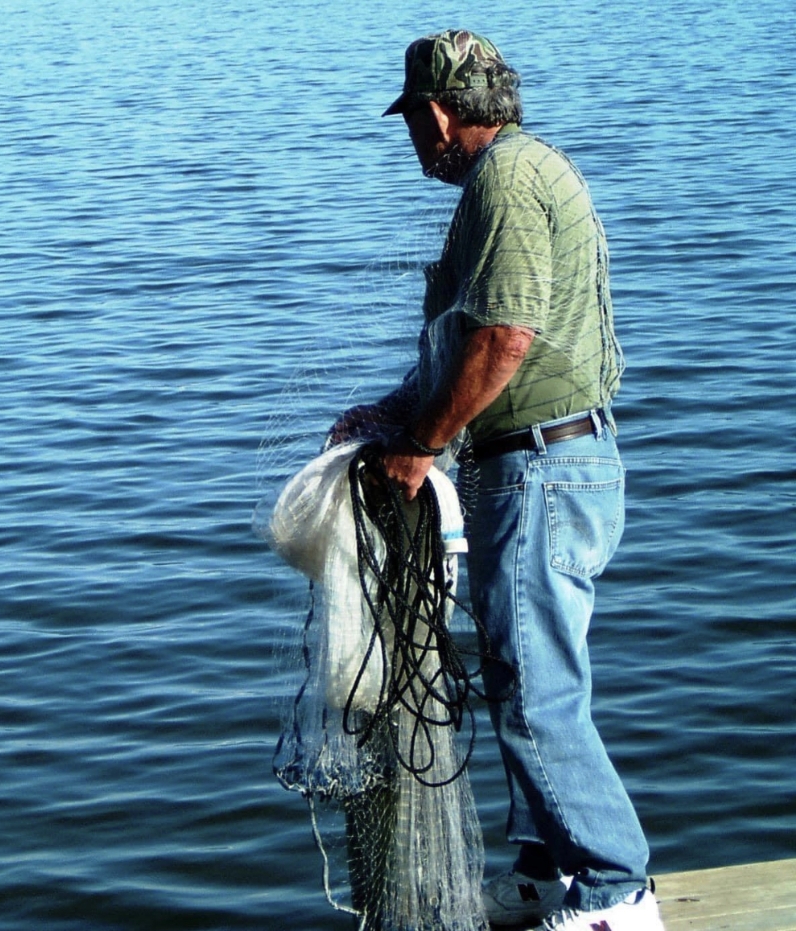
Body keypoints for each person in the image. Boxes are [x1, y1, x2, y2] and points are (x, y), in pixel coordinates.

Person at [331, 30, 664, 931]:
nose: (412, 140)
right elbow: (461, 338)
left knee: (536, 696)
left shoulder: (508, 180)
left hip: (543, 469)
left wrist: (422, 448)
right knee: (532, 678)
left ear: (439, 112)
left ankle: (613, 896)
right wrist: (395, 412)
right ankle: (548, 870)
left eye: (412, 121)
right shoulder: (505, 180)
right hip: (545, 467)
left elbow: (503, 340)